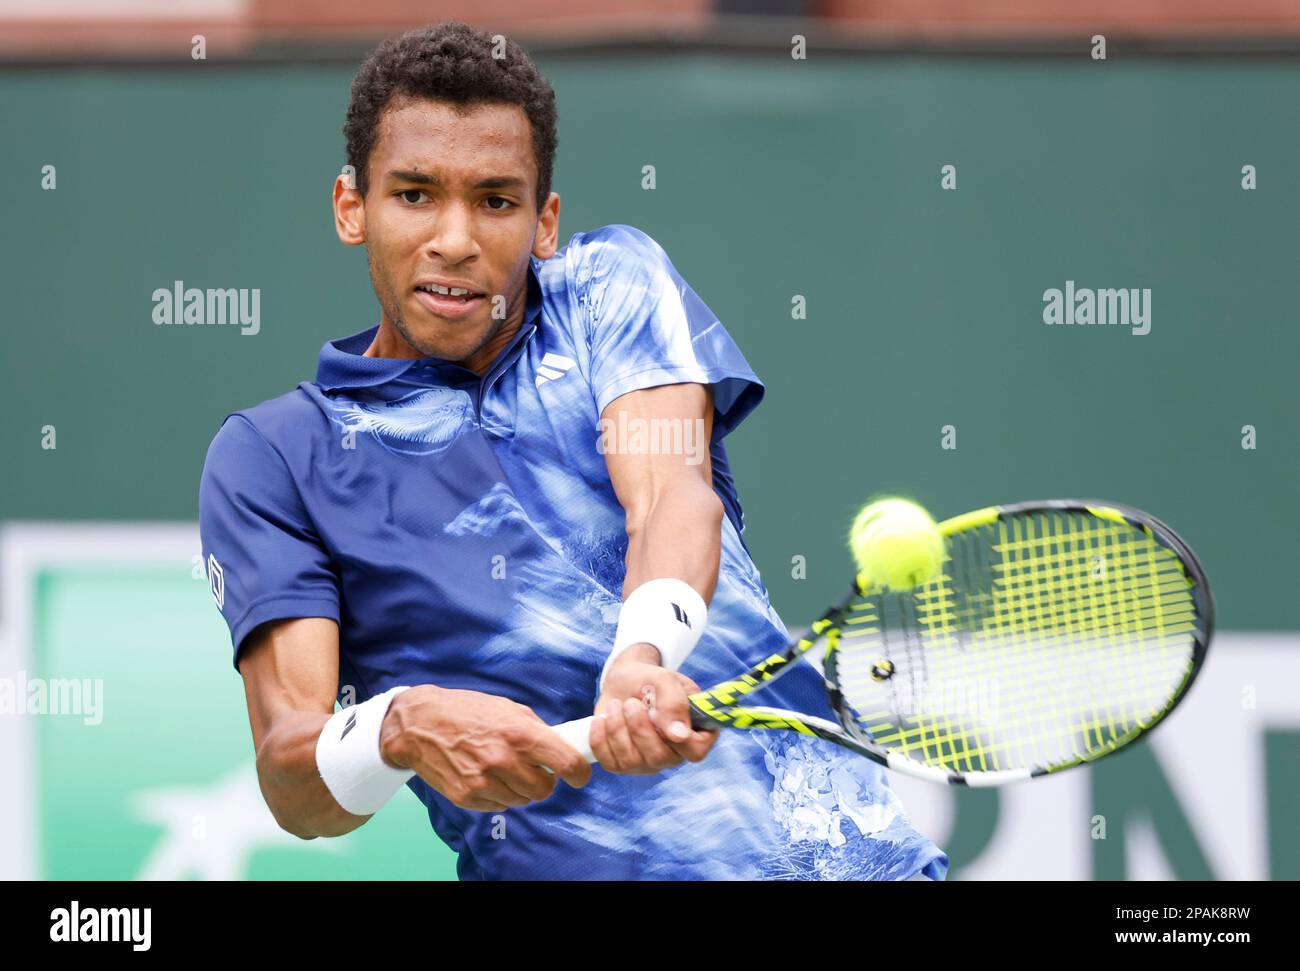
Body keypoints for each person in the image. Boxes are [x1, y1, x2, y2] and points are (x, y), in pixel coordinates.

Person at [199, 21, 947, 881]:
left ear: (545, 221)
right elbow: (294, 778)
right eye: (413, 194)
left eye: (495, 200)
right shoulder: (275, 457)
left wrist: (642, 656)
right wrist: (400, 725)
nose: (454, 239)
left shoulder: (607, 286)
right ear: (350, 206)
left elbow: (672, 493)